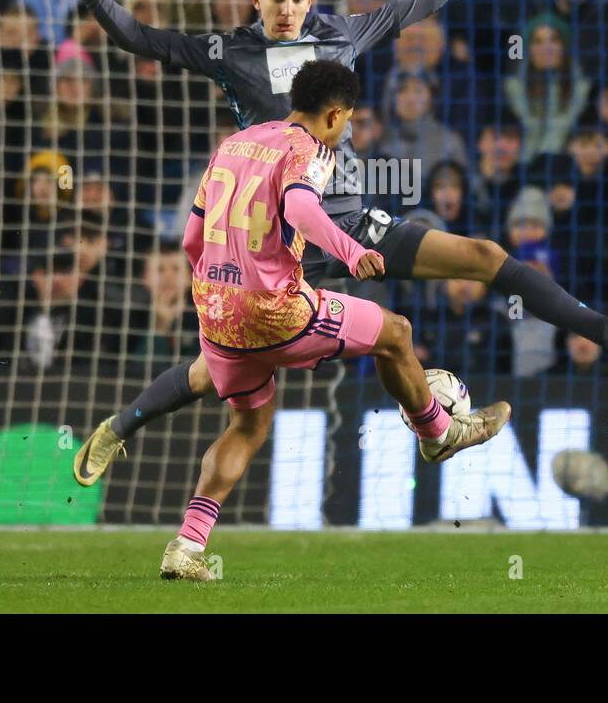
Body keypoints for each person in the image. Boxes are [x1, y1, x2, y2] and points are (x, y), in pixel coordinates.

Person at [38, 0, 608, 483]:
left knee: (481, 256)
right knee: (225, 372)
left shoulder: (342, 34)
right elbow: (138, 37)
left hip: (353, 224)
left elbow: (420, 1)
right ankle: (121, 427)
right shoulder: (226, 52)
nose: (288, 9)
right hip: (277, 240)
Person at [110, 61, 511, 580]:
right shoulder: (309, 150)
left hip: (214, 307)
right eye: (347, 123)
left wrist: (219, 285)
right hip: (273, 310)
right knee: (396, 333)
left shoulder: (237, 142)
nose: (345, 133)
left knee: (249, 423)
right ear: (336, 113)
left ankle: (186, 547)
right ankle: (438, 433)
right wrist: (350, 251)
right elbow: (300, 209)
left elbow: (192, 239)